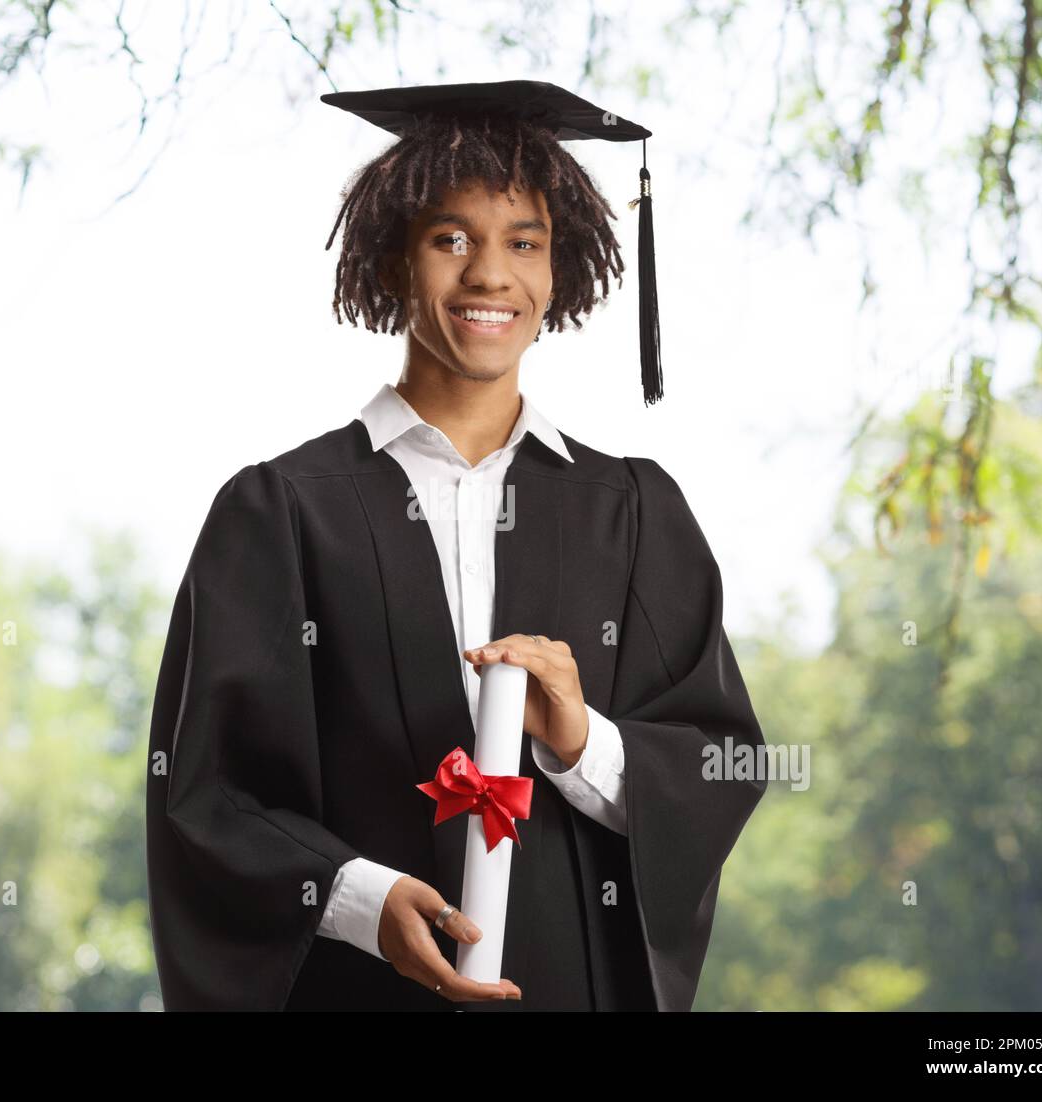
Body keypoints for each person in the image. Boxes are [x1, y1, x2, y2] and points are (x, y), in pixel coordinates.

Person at [145, 80, 767, 1012]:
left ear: (561, 272)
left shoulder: (633, 511)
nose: (489, 275)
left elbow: (720, 766)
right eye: (451, 239)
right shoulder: (279, 512)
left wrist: (579, 739)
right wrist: (360, 895)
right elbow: (206, 796)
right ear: (393, 259)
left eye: (524, 241)